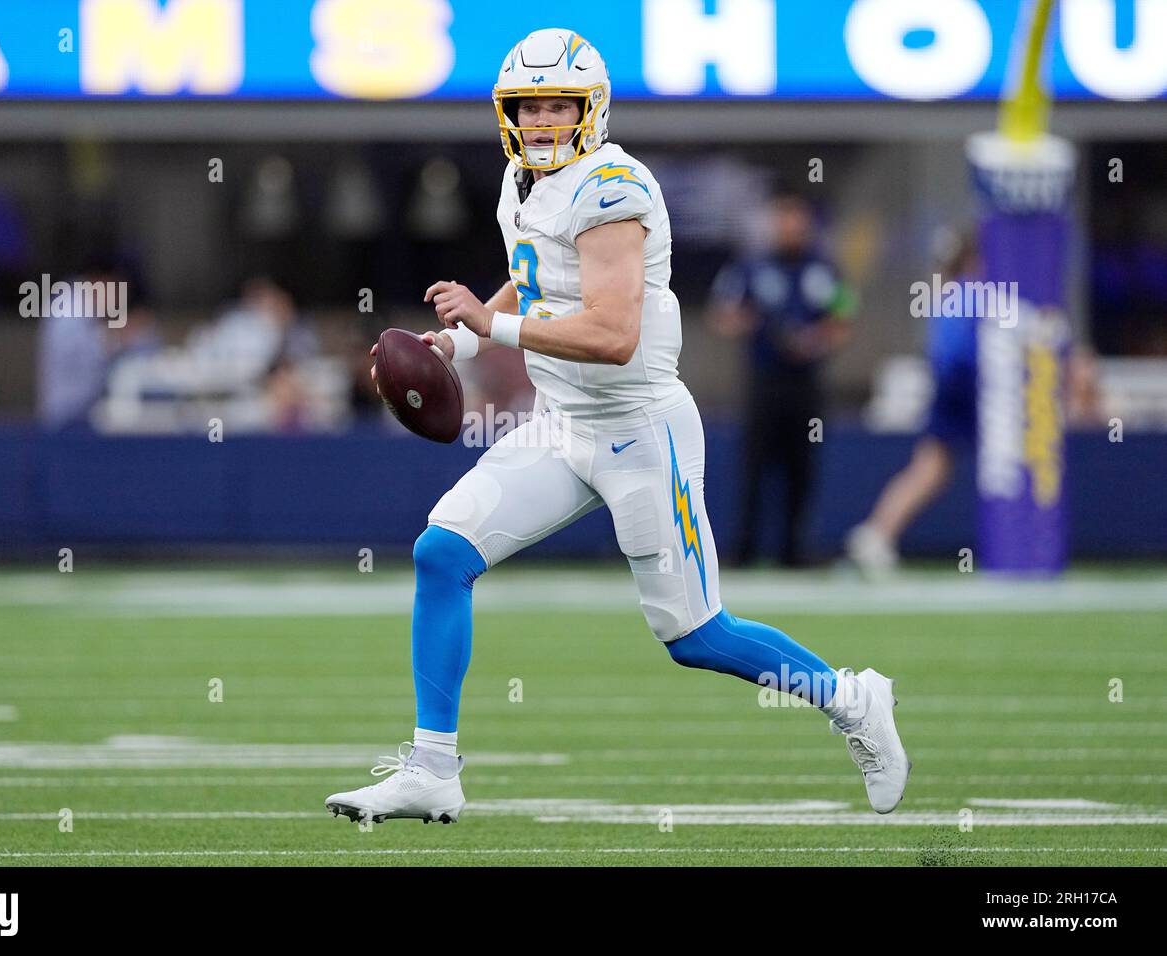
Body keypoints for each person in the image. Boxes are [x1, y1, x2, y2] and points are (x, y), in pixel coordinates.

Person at [324, 29, 909, 825]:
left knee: (694, 634)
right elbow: (533, 275)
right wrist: (459, 339)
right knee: (442, 552)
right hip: (562, 421)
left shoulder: (610, 189)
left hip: (639, 430)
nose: (541, 121)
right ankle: (432, 768)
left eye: (558, 104)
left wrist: (490, 333)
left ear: (590, 108)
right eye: (529, 106)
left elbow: (611, 333)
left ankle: (851, 698)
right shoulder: (521, 181)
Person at [707, 194, 855, 566]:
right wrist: (753, 323)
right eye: (784, 219)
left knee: (802, 467)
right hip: (764, 382)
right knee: (754, 465)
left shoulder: (825, 269)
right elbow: (722, 314)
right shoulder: (751, 267)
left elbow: (845, 316)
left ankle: (795, 551)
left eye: (798, 219)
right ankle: (744, 551)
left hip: (806, 384)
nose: (791, 227)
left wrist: (815, 342)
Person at [845, 228, 979, 574]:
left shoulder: (959, 293)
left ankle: (877, 533)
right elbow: (954, 356)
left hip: (965, 390)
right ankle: (876, 535)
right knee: (931, 469)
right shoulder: (967, 294)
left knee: (932, 470)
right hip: (967, 393)